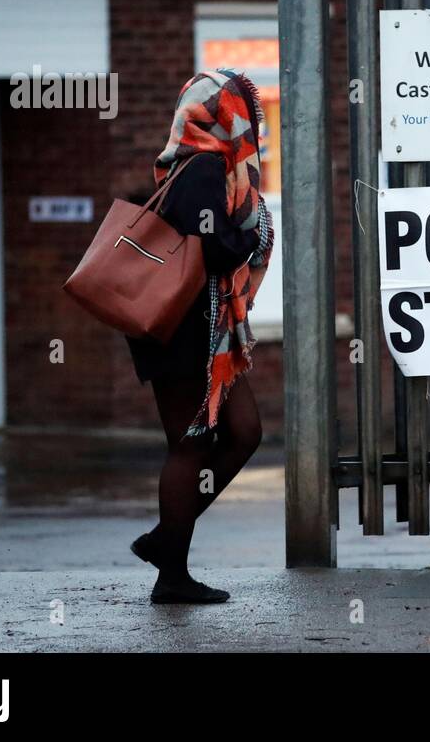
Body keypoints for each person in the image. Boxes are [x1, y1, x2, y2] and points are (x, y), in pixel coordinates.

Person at [125, 70, 275, 604]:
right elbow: (212, 246)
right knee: (190, 445)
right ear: (223, 117)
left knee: (243, 431)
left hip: (208, 335)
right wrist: (250, 233)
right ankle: (171, 575)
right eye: (245, 112)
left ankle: (166, 542)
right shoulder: (204, 168)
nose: (253, 124)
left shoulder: (204, 168)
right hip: (185, 331)